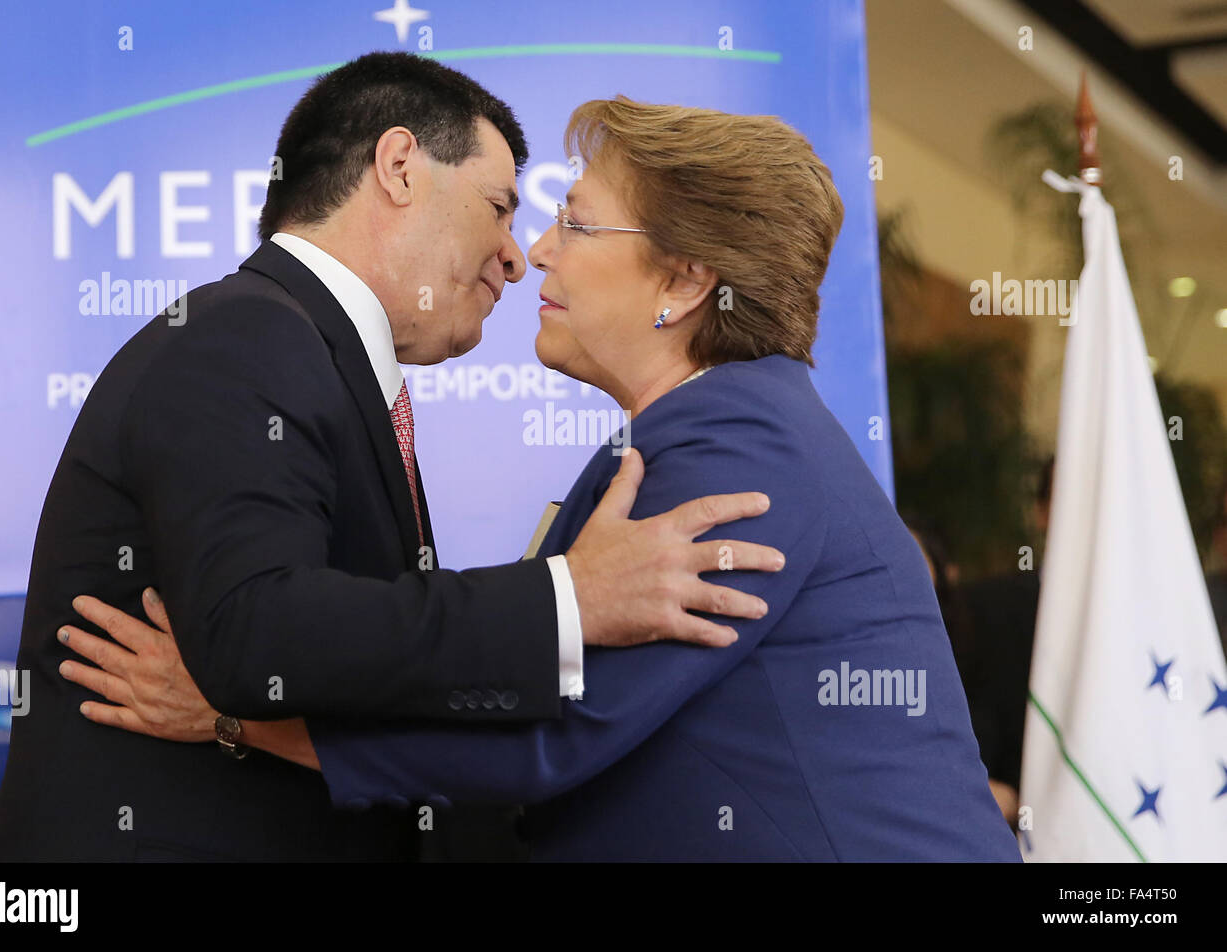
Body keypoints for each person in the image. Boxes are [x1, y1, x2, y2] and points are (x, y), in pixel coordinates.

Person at [59, 97, 1020, 861]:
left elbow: (549, 735)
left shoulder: (742, 446)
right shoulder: (687, 434)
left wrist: (235, 719)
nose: (538, 252)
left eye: (578, 222)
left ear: (684, 282)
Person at [0, 57, 786, 863]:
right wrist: (568, 602)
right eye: (500, 207)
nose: (516, 253)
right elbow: (255, 634)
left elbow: (344, 656)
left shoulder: (311, 353)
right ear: (399, 168)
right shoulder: (246, 335)